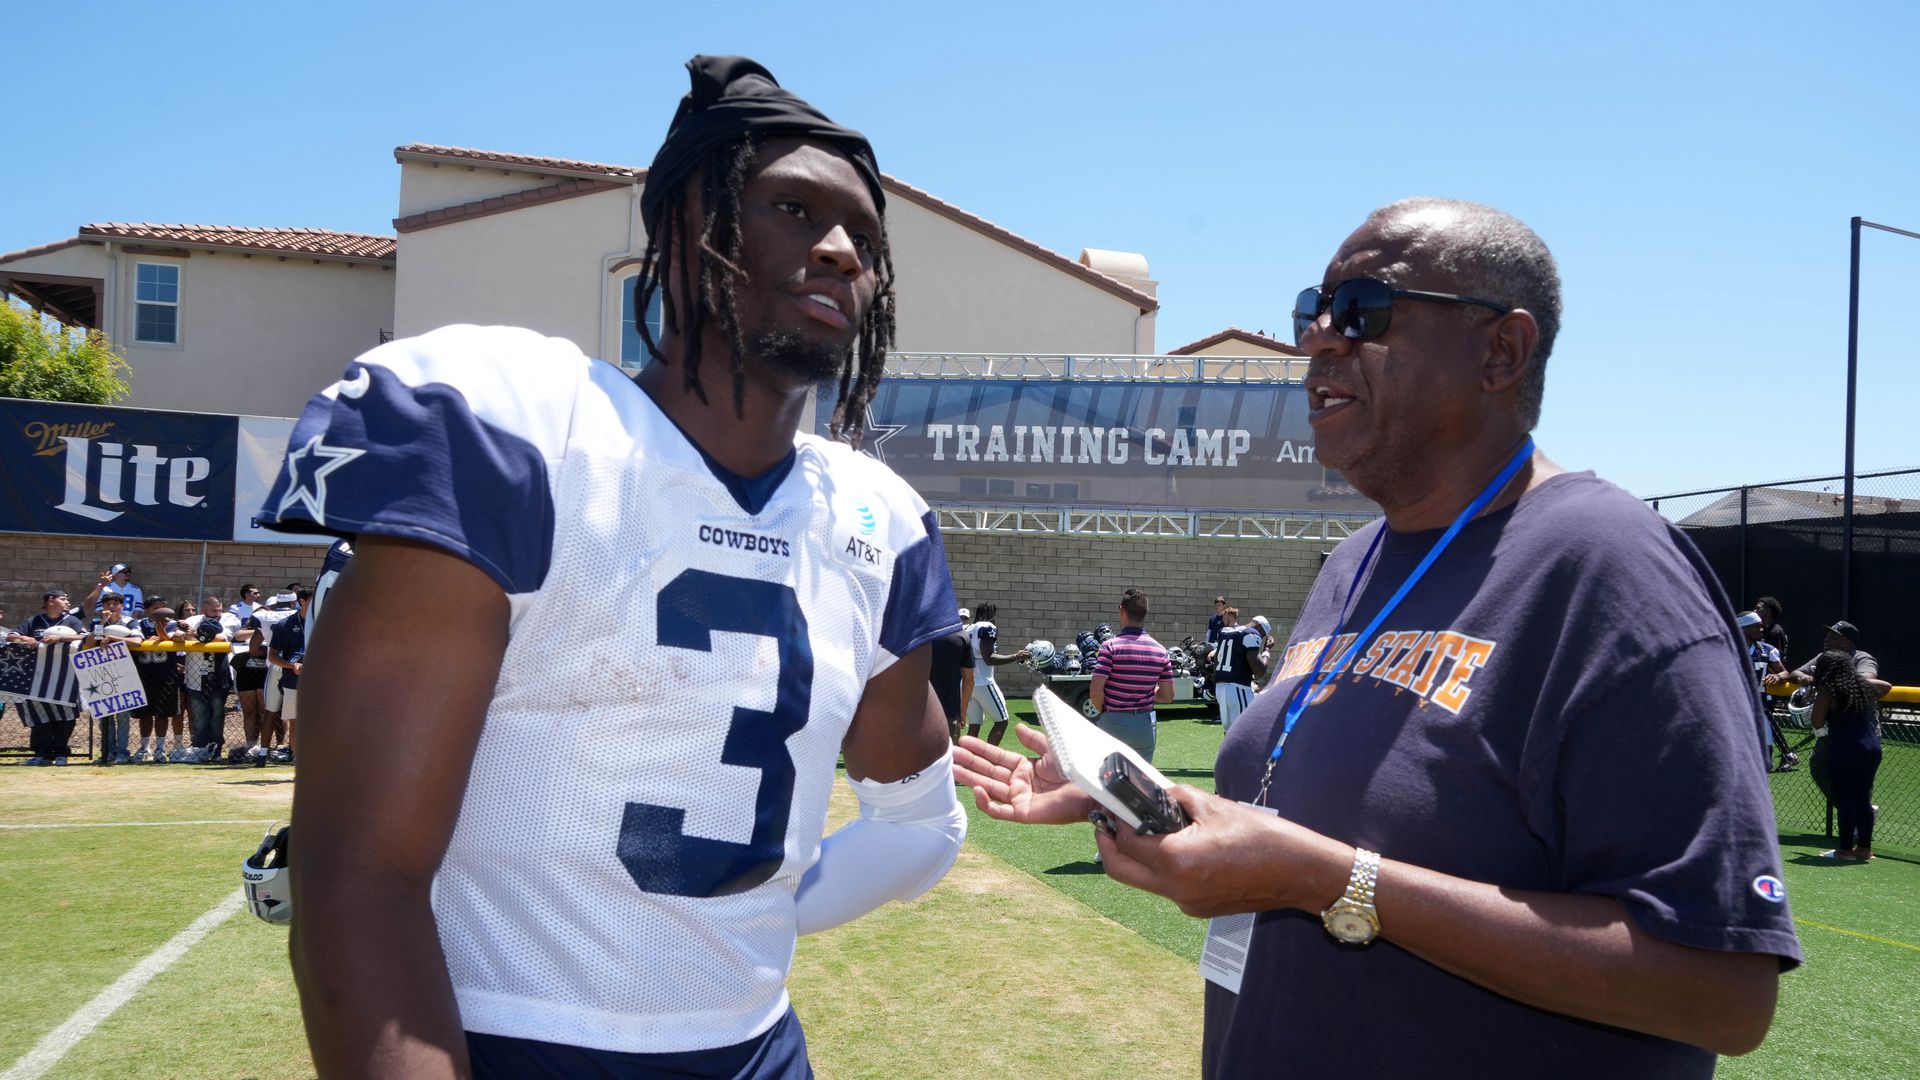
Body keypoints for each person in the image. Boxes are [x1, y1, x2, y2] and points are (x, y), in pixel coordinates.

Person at [956, 198, 1797, 1077]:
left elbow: (1722, 990)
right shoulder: (1354, 562)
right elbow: (1312, 811)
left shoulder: (1609, 566)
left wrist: (1326, 879)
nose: (1319, 338)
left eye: (1363, 311)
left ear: (1500, 351)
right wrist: (1132, 798)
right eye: (1311, 311)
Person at [256, 55, 965, 1079]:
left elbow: (920, 824)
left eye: (865, 235)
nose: (843, 251)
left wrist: (741, 914)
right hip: (505, 1039)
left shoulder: (879, 522)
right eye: (794, 208)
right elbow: (357, 878)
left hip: (759, 1048)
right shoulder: (518, 431)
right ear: (685, 226)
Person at [1807, 649, 1882, 861]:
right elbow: (1886, 686)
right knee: (1862, 798)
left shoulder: (1827, 690)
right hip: (1871, 746)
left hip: (1845, 747)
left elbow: (1817, 722)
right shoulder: (1859, 686)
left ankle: (1844, 850)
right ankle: (1865, 849)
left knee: (1846, 798)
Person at [1089, 588, 1174, 763]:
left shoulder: (1109, 647)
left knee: (1106, 783)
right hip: (1145, 724)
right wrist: (1149, 691)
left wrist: (1105, 712)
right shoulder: (1161, 651)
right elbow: (1167, 696)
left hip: (1113, 720)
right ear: (1145, 613)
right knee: (1140, 783)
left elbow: (1096, 692)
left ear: (1122, 610)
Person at [10, 590, 83, 765]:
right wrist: (24, 638)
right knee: (40, 716)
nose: (67, 603)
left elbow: (84, 636)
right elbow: (12, 636)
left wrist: (61, 637)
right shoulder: (34, 621)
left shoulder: (72, 620)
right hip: (38, 678)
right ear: (50, 601)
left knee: (65, 716)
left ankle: (60, 753)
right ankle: (40, 753)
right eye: (63, 599)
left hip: (66, 678)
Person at [173, 594, 239, 762]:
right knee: (199, 716)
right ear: (204, 610)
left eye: (219, 610)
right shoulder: (194, 619)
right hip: (195, 676)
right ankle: (200, 749)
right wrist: (186, 634)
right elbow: (175, 636)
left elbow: (221, 637)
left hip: (219, 675)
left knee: (216, 715)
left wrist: (194, 635)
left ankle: (216, 750)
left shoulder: (229, 619)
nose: (218, 614)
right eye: (213, 611)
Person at [82, 590, 143, 764]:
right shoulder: (97, 622)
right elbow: (89, 642)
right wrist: (102, 622)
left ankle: (122, 752)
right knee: (105, 715)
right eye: (107, 604)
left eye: (114, 604)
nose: (111, 607)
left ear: (121, 606)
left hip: (124, 670)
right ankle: (107, 750)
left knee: (123, 715)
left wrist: (111, 638)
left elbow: (137, 642)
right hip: (102, 671)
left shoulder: (130, 622)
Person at [1738, 611, 1797, 771]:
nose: (1762, 629)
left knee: (1765, 764)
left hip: (1759, 710)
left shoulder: (1766, 650)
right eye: (1757, 626)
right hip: (1735, 711)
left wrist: (1777, 677)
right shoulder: (1728, 650)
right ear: (1744, 630)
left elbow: (1784, 672)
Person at [964, 601, 1028, 746]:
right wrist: (1015, 656)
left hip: (966, 682)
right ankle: (988, 758)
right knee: (1002, 721)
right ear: (991, 613)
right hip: (982, 680)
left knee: (974, 724)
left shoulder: (966, 627)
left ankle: (966, 760)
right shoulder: (987, 627)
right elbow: (989, 658)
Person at [131, 599, 181, 762]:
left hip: (165, 673)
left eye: (162, 609)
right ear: (147, 610)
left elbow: (169, 640)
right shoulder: (138, 624)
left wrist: (160, 629)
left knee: (163, 714)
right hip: (144, 673)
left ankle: (160, 748)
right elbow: (136, 641)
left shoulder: (172, 623)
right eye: (155, 609)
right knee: (145, 714)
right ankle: (145, 747)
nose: (160, 612)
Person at [1208, 606, 1265, 730]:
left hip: (1221, 687)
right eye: (1263, 634)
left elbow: (1218, 659)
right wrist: (1266, 651)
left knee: (1229, 731)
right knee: (1244, 729)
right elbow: (1260, 670)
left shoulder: (1224, 632)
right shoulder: (1250, 633)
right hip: (1237, 687)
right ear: (1259, 627)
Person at [930, 608, 976, 743]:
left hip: (917, 711)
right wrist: (963, 709)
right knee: (950, 760)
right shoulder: (961, 636)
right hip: (949, 711)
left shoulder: (917, 634)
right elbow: (969, 678)